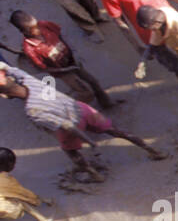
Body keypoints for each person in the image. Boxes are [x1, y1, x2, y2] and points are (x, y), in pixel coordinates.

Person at [0, 62, 164, 181]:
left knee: (71, 152)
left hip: (72, 125)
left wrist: (90, 141)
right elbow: (9, 69)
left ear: (5, 96)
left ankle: (94, 175)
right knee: (115, 130)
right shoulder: (33, 81)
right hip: (82, 109)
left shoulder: (32, 110)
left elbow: (66, 126)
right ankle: (153, 150)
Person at [9, 10, 113, 107]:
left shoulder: (45, 25)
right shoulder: (29, 48)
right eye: (32, 29)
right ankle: (74, 110)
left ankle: (106, 103)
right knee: (85, 92)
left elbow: (61, 36)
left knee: (92, 81)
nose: (37, 30)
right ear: (23, 31)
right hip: (63, 72)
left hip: (71, 60)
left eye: (36, 25)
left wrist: (74, 52)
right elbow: (43, 67)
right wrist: (64, 70)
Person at [0, 145, 52, 221]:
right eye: (13, 163)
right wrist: (37, 200)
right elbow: (23, 194)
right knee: (19, 202)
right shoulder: (5, 181)